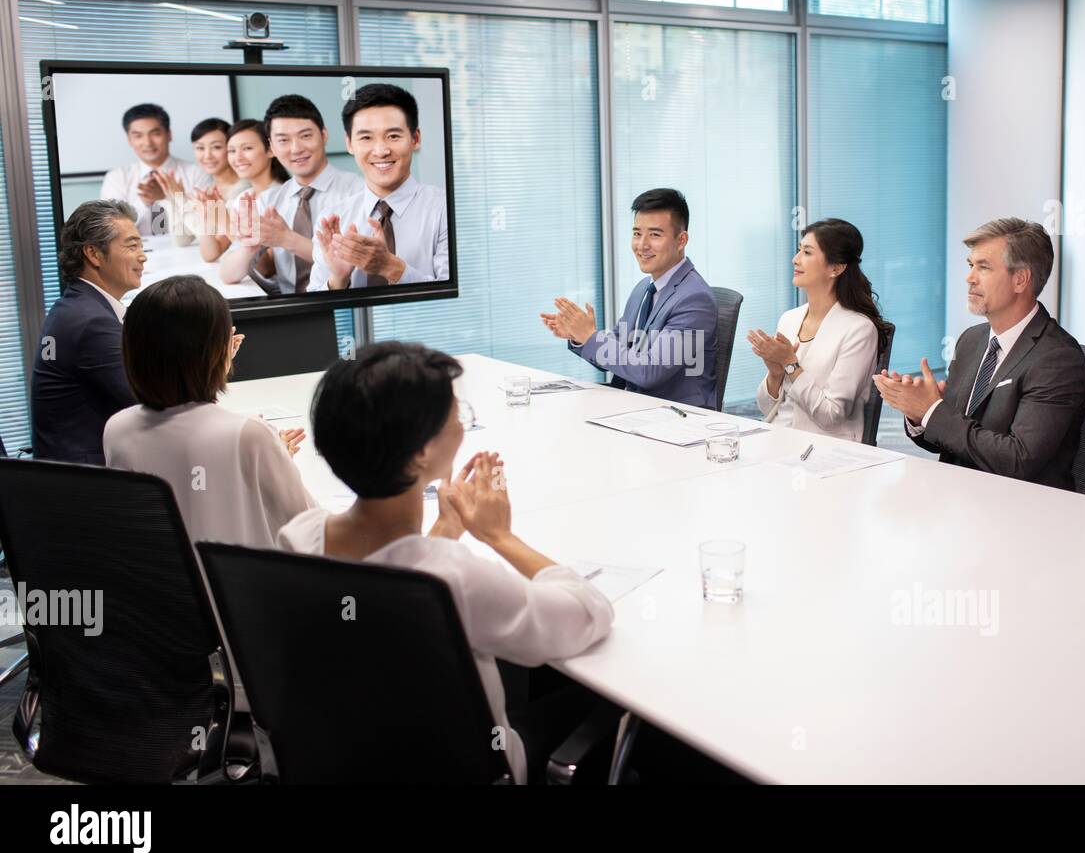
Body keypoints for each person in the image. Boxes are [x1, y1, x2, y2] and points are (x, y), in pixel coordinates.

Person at [276, 342, 613, 784]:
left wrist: (446, 529)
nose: (462, 424)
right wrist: (499, 536)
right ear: (421, 453)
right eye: (457, 415)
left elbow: (396, 575)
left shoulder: (298, 539)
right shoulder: (454, 577)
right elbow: (588, 613)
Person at [873, 217, 1085, 490]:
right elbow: (950, 438)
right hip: (960, 496)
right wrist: (920, 413)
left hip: (1020, 510)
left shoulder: (1057, 360)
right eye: (970, 265)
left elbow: (1017, 461)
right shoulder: (971, 340)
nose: (969, 277)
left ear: (1020, 279)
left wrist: (934, 411)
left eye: (983, 267)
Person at [103, 275, 313, 547]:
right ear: (214, 351)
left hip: (163, 586)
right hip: (235, 587)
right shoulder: (249, 435)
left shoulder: (117, 429)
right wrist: (275, 455)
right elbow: (309, 529)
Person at [541, 188, 718, 409]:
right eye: (636, 233)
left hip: (678, 420)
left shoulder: (695, 299)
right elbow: (618, 350)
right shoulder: (643, 288)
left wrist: (591, 336)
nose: (642, 245)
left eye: (655, 234)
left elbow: (649, 371)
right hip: (635, 409)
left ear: (681, 240)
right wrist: (581, 337)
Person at [749, 218, 886, 442]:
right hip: (780, 440)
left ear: (836, 268)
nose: (795, 259)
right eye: (798, 250)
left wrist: (791, 365)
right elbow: (767, 409)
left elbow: (832, 416)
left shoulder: (859, 330)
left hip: (826, 450)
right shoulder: (789, 319)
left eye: (807, 252)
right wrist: (775, 374)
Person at [30, 200, 144, 464]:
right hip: (86, 485)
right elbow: (153, 401)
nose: (143, 255)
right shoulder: (90, 322)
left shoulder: (81, 306)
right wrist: (210, 364)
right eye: (131, 245)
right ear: (93, 254)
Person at [308, 83, 449, 290]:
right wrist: (338, 280)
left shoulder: (445, 209)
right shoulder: (331, 219)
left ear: (415, 139)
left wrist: (390, 267)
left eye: (393, 136)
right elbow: (315, 310)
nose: (381, 150)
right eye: (366, 137)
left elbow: (460, 299)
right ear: (349, 144)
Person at [228, 94, 365, 295]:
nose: (296, 148)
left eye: (306, 136)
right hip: (289, 309)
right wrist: (250, 246)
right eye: (283, 140)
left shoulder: (358, 191)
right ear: (272, 147)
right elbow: (228, 274)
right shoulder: (270, 200)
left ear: (324, 135)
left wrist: (286, 239)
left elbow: (358, 267)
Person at [194, 119, 287, 280]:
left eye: (247, 148)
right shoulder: (243, 197)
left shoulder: (282, 197)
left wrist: (224, 222)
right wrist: (207, 216)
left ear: (270, 150)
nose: (238, 158)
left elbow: (265, 268)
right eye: (231, 151)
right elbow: (211, 254)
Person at [100, 103, 210, 237]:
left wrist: (169, 198)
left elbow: (206, 225)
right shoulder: (116, 178)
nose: (147, 143)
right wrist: (144, 202)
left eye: (155, 133)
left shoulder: (196, 174)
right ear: (129, 140)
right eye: (138, 136)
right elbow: (112, 229)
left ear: (169, 134)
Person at [189, 118, 246, 201]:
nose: (207, 156)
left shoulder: (245, 190)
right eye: (200, 148)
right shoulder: (205, 189)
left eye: (216, 147)